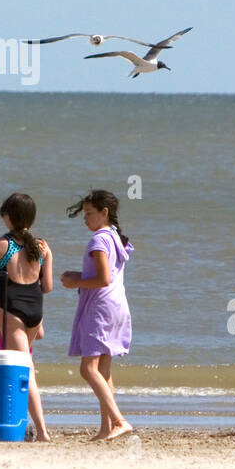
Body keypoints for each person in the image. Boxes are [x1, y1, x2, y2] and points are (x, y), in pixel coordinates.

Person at [0, 192, 53, 441]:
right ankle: (19, 421)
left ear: (7, 217)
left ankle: (42, 431)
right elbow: (47, 286)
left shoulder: (0, 245)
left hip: (13, 311)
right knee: (23, 368)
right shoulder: (42, 246)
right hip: (35, 310)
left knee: (26, 371)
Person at [61, 189, 133, 440]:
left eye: (90, 214)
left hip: (101, 308)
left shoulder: (99, 240)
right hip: (118, 307)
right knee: (103, 371)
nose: (85, 219)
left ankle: (119, 420)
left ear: (105, 213)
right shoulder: (115, 237)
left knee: (87, 369)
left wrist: (74, 281)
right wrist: (78, 277)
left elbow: (103, 278)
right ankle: (106, 428)